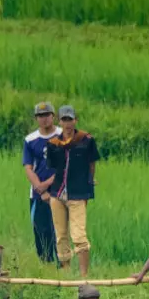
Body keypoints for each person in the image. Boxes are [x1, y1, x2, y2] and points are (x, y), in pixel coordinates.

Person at [43, 105, 100, 277]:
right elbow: (53, 168)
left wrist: (89, 183)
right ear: (59, 121)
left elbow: (92, 163)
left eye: (70, 119)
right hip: (58, 194)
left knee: (78, 235)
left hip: (78, 193)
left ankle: (84, 275)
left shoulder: (86, 140)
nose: (67, 123)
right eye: (64, 120)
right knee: (60, 235)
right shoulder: (53, 144)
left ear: (76, 120)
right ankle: (66, 271)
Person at [23, 101, 59, 263]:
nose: (44, 119)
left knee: (60, 232)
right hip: (38, 195)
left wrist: (48, 184)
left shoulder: (62, 135)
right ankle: (45, 267)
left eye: (47, 115)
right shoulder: (30, 140)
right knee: (41, 233)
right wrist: (41, 189)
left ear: (53, 116)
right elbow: (28, 167)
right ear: (36, 118)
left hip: (60, 192)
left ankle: (62, 266)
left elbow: (66, 165)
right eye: (40, 116)